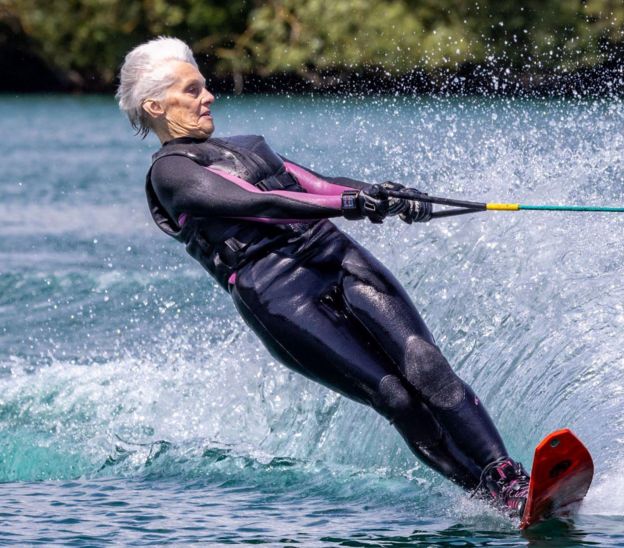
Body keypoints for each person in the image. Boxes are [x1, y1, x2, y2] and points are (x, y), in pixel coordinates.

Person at [116, 37, 529, 517]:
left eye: (204, 87)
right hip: (276, 293)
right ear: (155, 105)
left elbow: (320, 187)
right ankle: (491, 497)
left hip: (332, 252)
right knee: (395, 397)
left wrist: (385, 196)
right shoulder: (170, 174)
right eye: (192, 91)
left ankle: (509, 477)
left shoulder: (249, 146)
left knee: (425, 365)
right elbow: (257, 204)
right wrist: (351, 205)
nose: (208, 97)